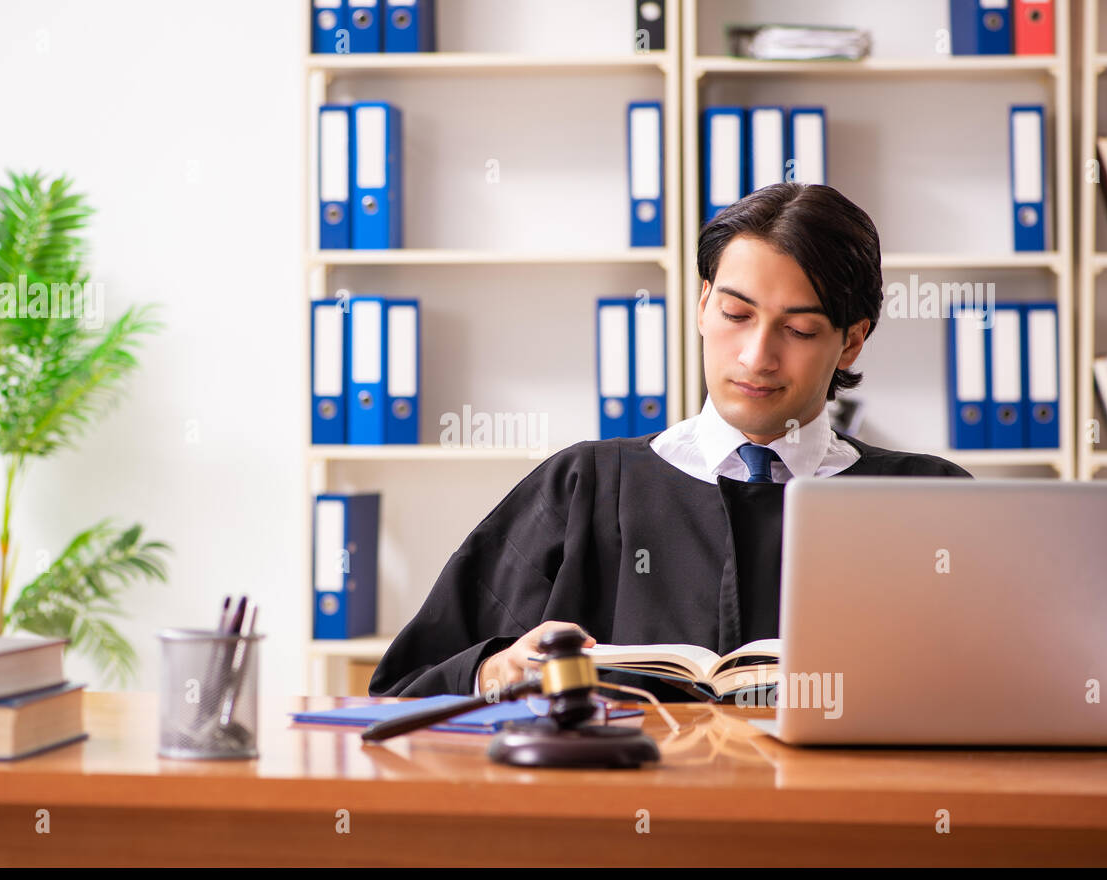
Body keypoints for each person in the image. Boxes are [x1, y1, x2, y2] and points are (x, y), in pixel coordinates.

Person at [369, 182, 972, 703]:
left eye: (798, 329)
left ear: (850, 343)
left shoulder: (927, 499)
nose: (757, 356)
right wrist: (497, 671)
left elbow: (1006, 690)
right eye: (737, 314)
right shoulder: (584, 485)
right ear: (703, 304)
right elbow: (402, 688)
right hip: (625, 825)